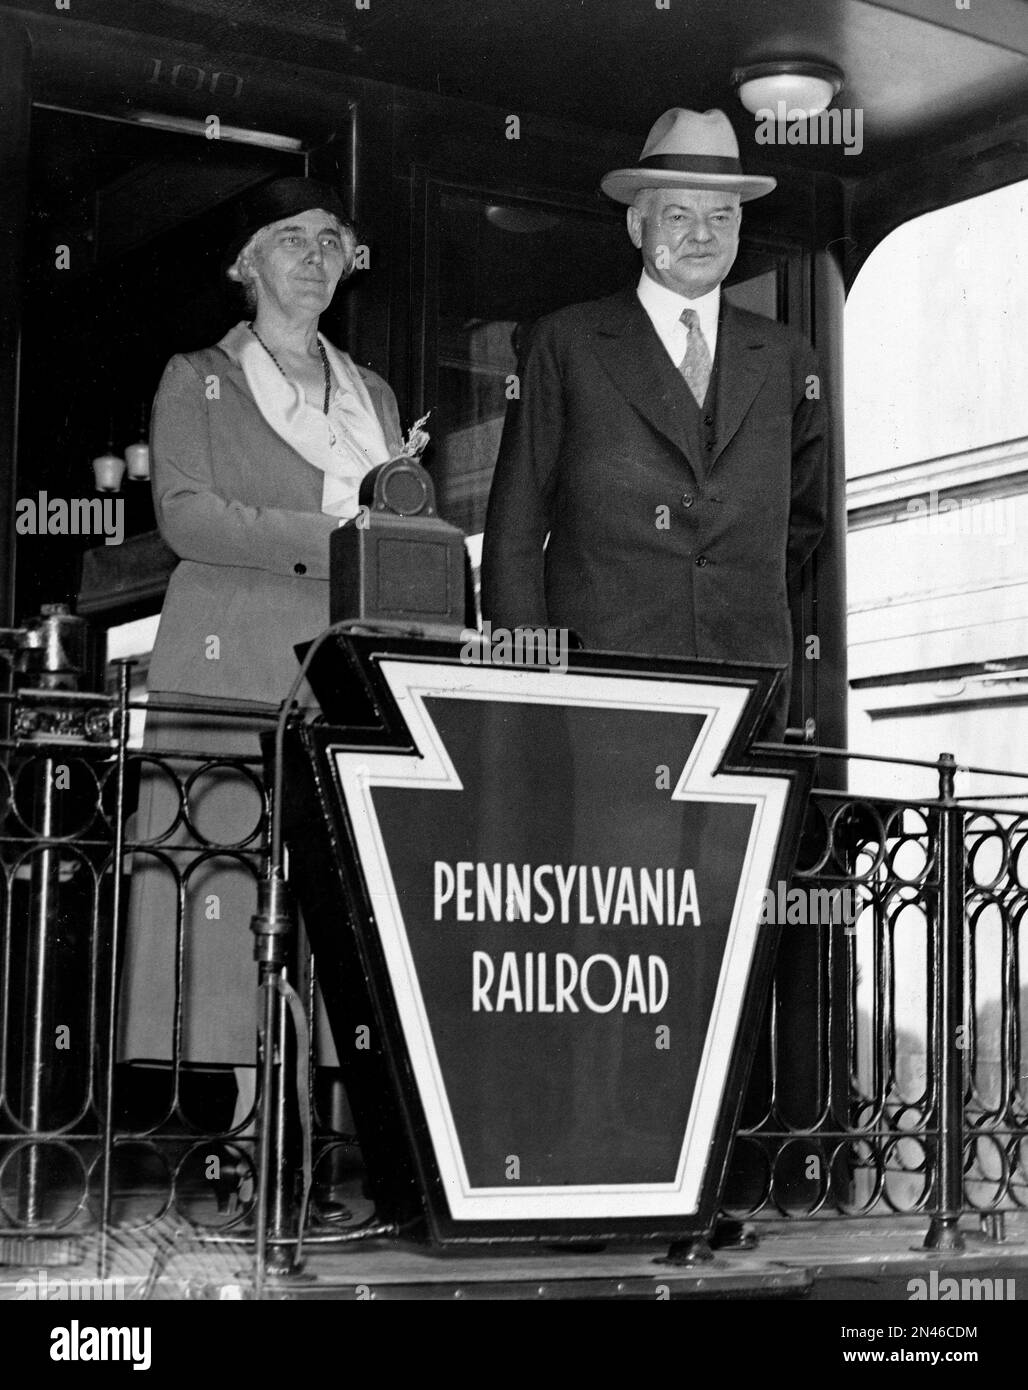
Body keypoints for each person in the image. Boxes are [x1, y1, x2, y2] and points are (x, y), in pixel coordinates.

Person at [119, 178, 403, 1152]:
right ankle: (252, 1131)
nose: (316, 255)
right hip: (228, 650)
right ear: (248, 263)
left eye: (333, 240)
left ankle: (331, 1133)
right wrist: (338, 533)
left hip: (342, 664)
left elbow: (399, 534)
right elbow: (188, 516)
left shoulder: (376, 393)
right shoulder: (194, 376)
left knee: (343, 885)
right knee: (231, 875)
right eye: (291, 238)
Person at [481, 108, 829, 739]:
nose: (703, 234)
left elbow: (803, 517)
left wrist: (732, 594)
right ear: (637, 225)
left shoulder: (787, 357)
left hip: (746, 686)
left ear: (741, 226)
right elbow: (516, 522)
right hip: (593, 684)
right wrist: (524, 675)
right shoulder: (567, 343)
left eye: (721, 216)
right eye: (679, 216)